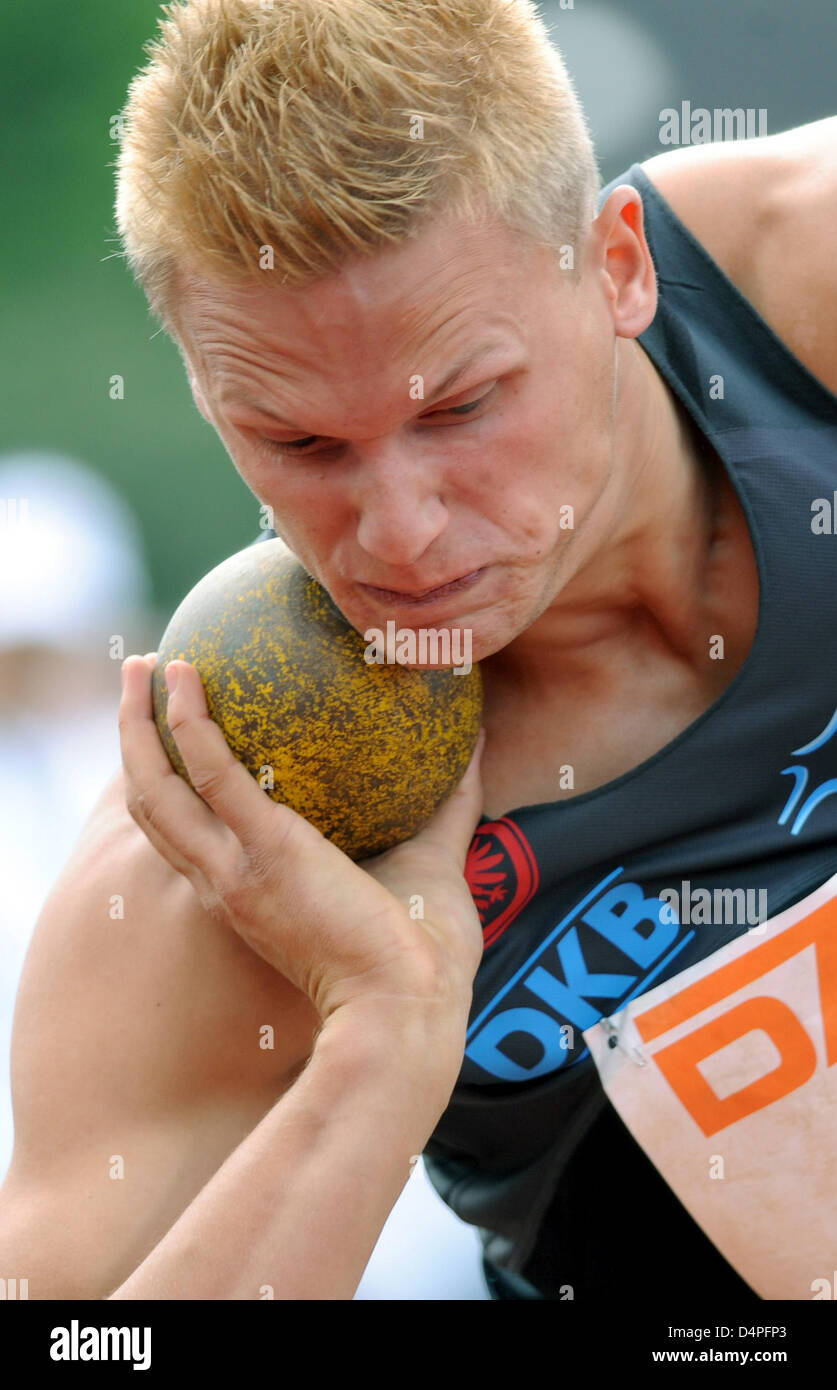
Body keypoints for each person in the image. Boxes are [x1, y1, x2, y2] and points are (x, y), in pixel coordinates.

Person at [1, 0, 835, 1300]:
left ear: (617, 263)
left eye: (459, 405)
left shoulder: (805, 289)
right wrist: (384, 1038)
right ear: (205, 388)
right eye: (299, 443)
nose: (401, 534)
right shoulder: (250, 825)